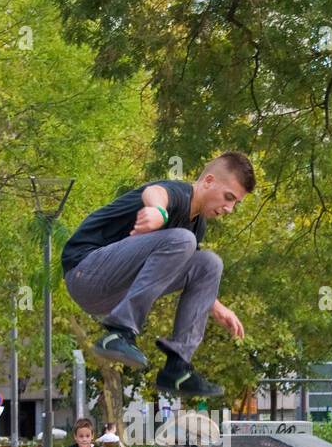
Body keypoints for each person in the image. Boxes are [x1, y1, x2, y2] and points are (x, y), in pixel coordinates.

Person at [61, 152, 256, 398]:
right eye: (228, 197)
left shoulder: (198, 226)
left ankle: (177, 367)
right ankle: (119, 333)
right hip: (85, 272)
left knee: (209, 263)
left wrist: (216, 306)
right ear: (208, 181)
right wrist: (158, 211)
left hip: (114, 292)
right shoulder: (178, 193)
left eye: (235, 203)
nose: (229, 208)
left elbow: (188, 271)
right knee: (183, 240)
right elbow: (155, 192)